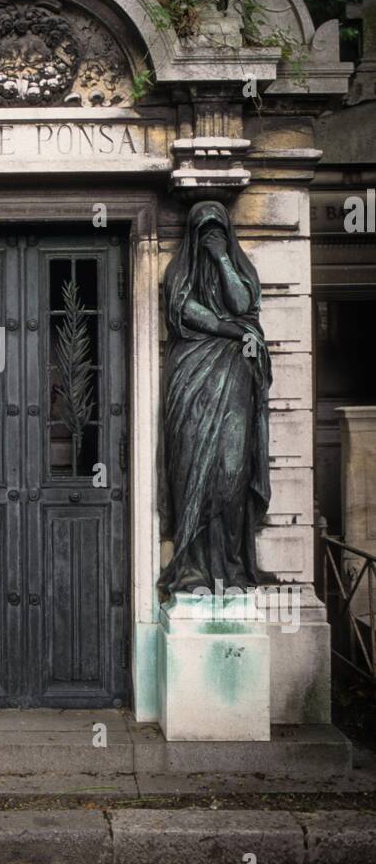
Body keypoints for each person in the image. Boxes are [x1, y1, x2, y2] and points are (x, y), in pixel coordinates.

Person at [158, 199, 272, 596]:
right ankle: (192, 568)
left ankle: (231, 568)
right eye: (204, 231)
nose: (210, 236)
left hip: (234, 379)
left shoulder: (239, 270)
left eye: (218, 230)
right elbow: (188, 313)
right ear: (192, 235)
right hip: (191, 380)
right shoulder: (178, 272)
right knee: (192, 472)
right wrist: (234, 331)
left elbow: (244, 304)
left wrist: (222, 258)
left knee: (231, 472)